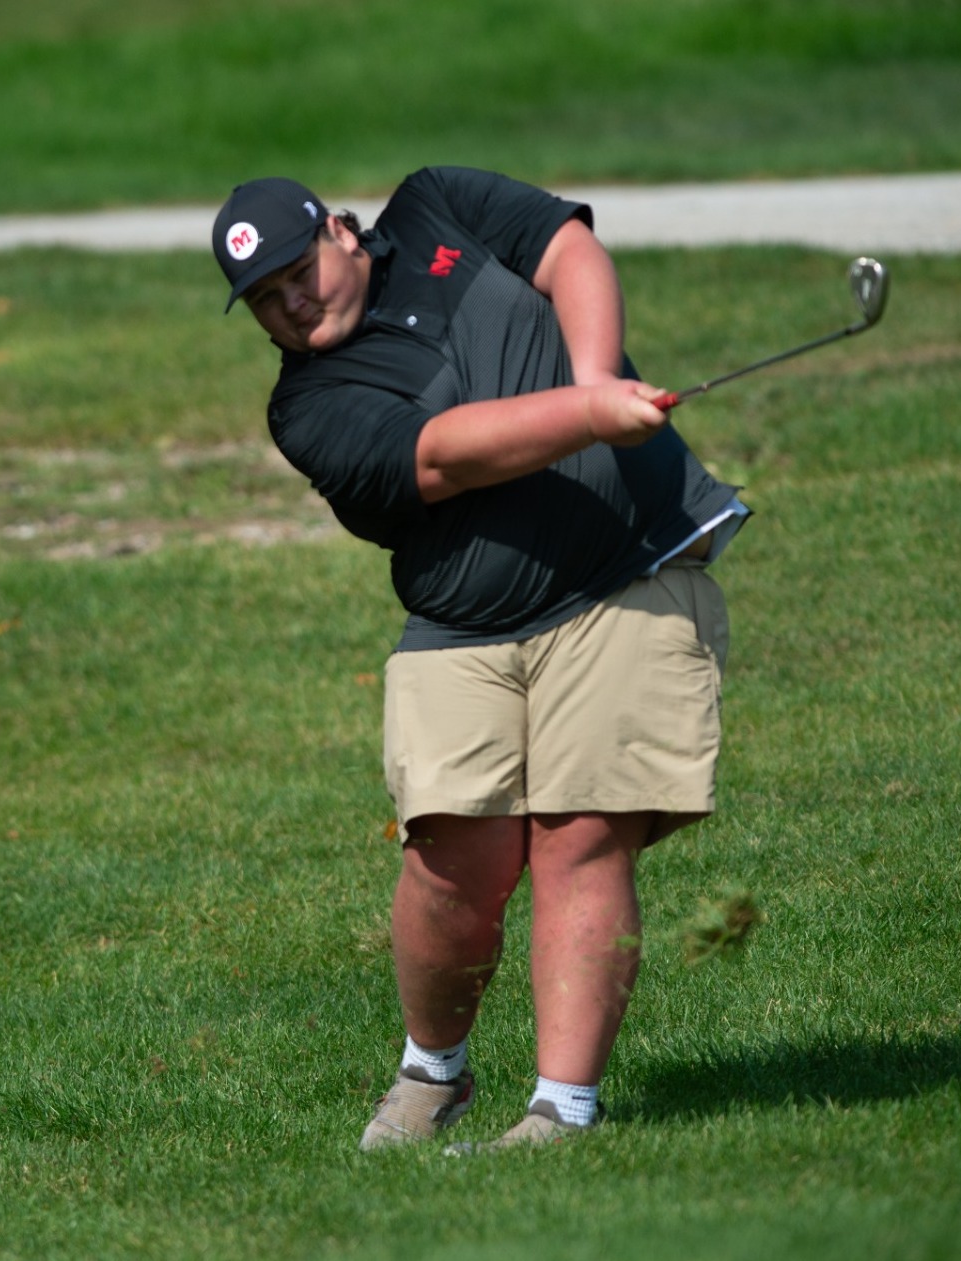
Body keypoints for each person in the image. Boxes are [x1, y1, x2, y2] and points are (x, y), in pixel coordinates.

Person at [211, 167, 748, 1151]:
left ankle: (562, 1112)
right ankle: (434, 1074)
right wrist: (589, 416)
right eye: (265, 302)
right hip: (463, 623)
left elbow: (569, 252)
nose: (291, 305)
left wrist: (591, 376)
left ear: (338, 229)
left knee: (580, 832)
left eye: (297, 273)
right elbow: (443, 453)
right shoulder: (309, 408)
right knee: (451, 862)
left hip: (622, 571)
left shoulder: (439, 204)